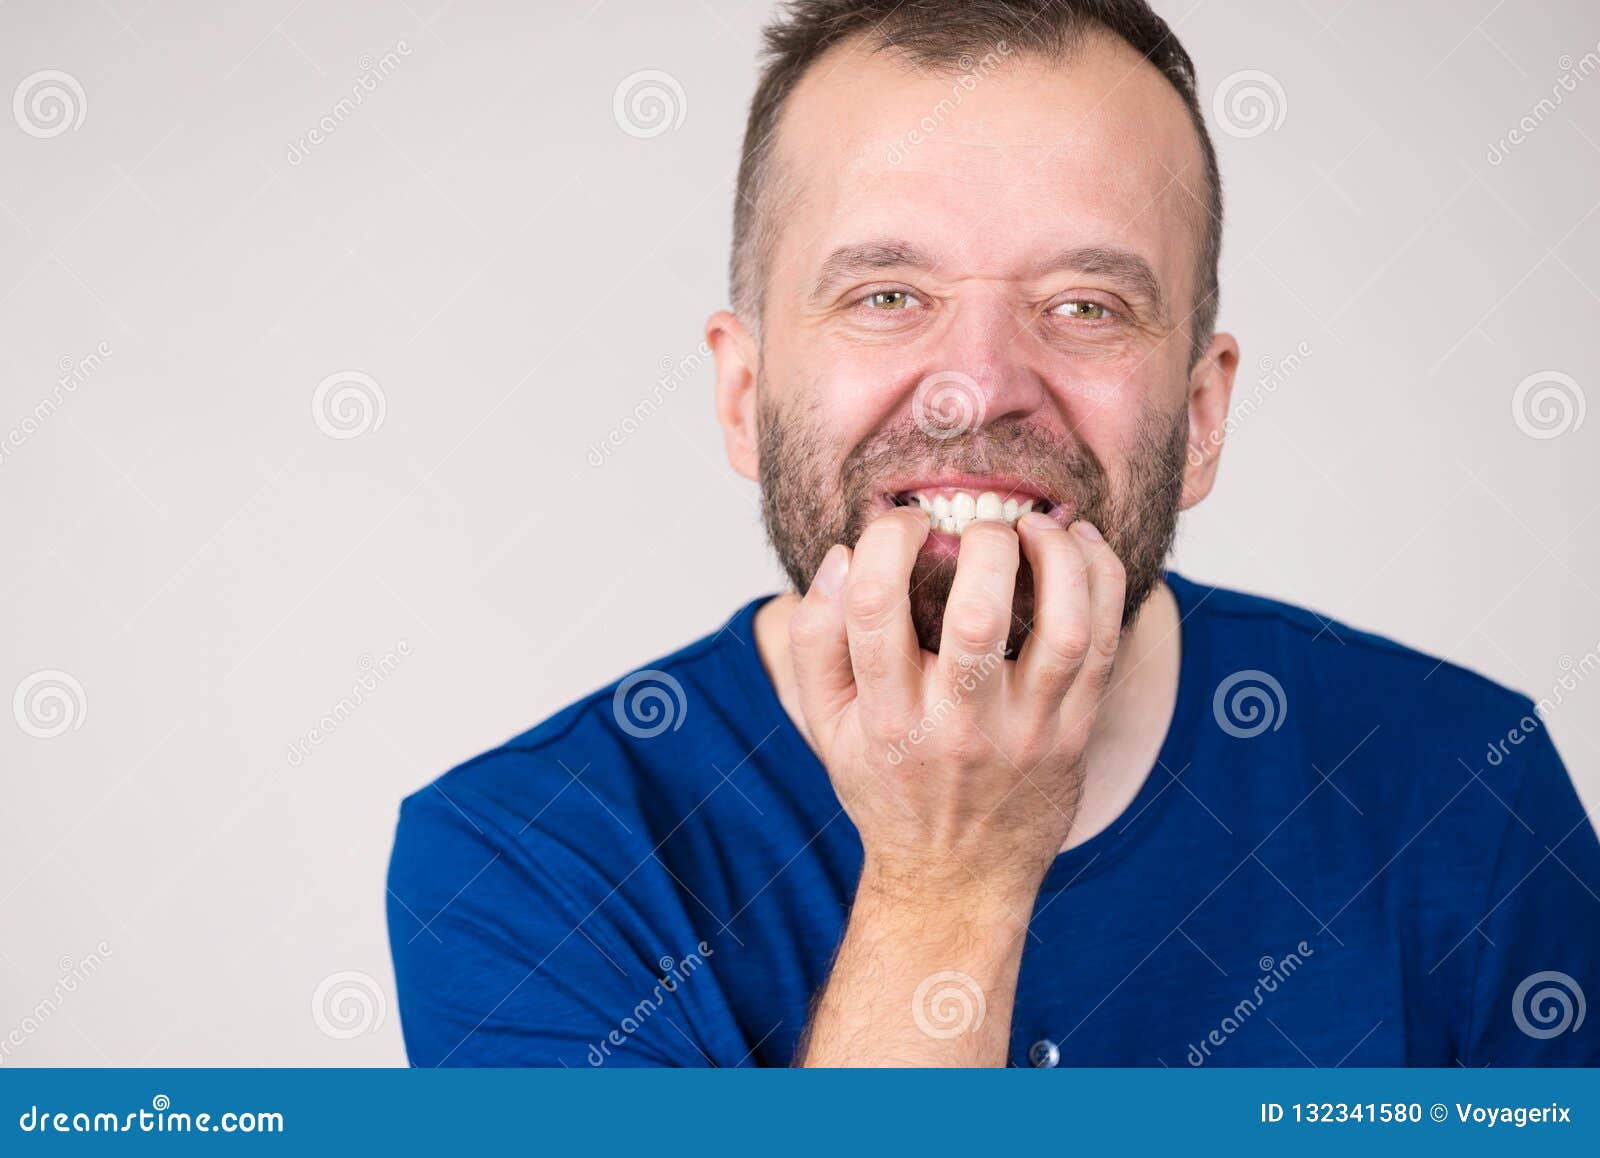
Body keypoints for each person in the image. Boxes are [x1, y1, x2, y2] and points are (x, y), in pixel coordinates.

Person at [387, 0, 1600, 1067]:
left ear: (1200, 408)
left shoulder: (1464, 790)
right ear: (743, 397)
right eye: (886, 297)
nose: (977, 386)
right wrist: (946, 881)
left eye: (1084, 305)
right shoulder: (519, 862)